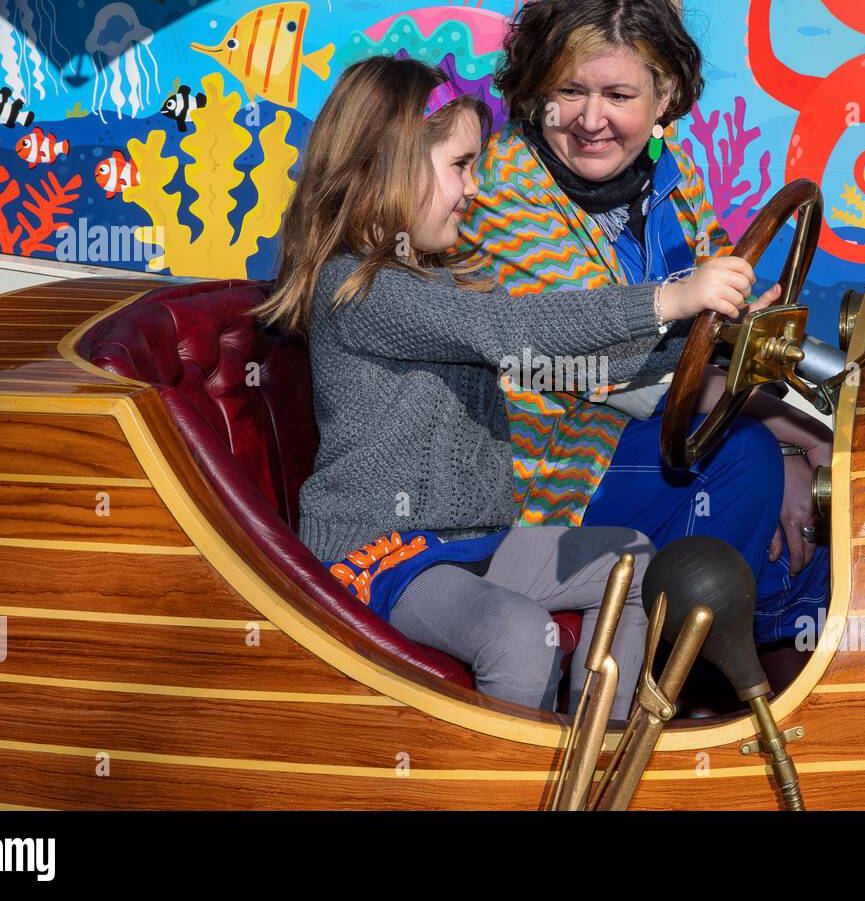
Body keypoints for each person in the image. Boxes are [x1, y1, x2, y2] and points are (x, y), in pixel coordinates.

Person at [254, 56, 777, 717]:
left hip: (468, 537)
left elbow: (556, 361)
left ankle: (596, 758)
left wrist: (711, 338)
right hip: (382, 553)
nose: (474, 189)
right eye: (461, 166)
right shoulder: (358, 288)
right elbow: (513, 326)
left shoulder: (438, 281)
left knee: (634, 562)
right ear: (392, 166)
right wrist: (669, 298)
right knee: (521, 636)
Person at [455, 0, 833, 647]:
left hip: (641, 430)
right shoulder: (506, 184)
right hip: (544, 472)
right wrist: (785, 436)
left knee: (839, 471)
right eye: (568, 90)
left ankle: (803, 622)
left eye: (618, 94)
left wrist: (801, 424)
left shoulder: (672, 173)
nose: (591, 119)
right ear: (536, 90)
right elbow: (609, 362)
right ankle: (735, 648)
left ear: (665, 96)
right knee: (744, 458)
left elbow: (711, 337)